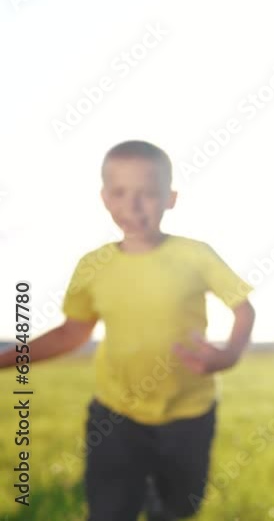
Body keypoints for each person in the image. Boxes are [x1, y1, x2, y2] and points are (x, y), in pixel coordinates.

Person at [0, 141, 255, 521]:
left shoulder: (195, 255)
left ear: (170, 198)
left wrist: (230, 353)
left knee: (175, 511)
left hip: (189, 415)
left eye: (148, 194)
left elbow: (242, 308)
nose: (133, 206)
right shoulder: (93, 266)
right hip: (115, 418)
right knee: (109, 512)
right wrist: (5, 360)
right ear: (105, 198)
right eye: (120, 193)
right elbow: (72, 333)